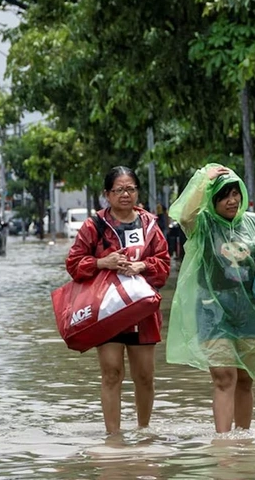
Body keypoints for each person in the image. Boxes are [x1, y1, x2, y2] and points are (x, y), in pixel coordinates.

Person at [166, 164, 255, 433]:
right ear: (213, 200)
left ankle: (243, 441)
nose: (232, 200)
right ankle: (223, 446)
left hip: (251, 314)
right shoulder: (202, 225)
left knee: (246, 380)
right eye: (224, 195)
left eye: (235, 193)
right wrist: (203, 179)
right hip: (213, 313)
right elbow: (184, 214)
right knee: (225, 378)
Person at [65, 167, 171, 435]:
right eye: (119, 190)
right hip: (107, 311)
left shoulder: (150, 225)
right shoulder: (94, 226)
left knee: (145, 376)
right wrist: (102, 262)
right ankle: (113, 437)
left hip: (143, 311)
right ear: (107, 194)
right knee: (111, 373)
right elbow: (74, 263)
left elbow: (164, 264)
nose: (125, 194)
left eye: (131, 189)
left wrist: (142, 266)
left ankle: (144, 431)